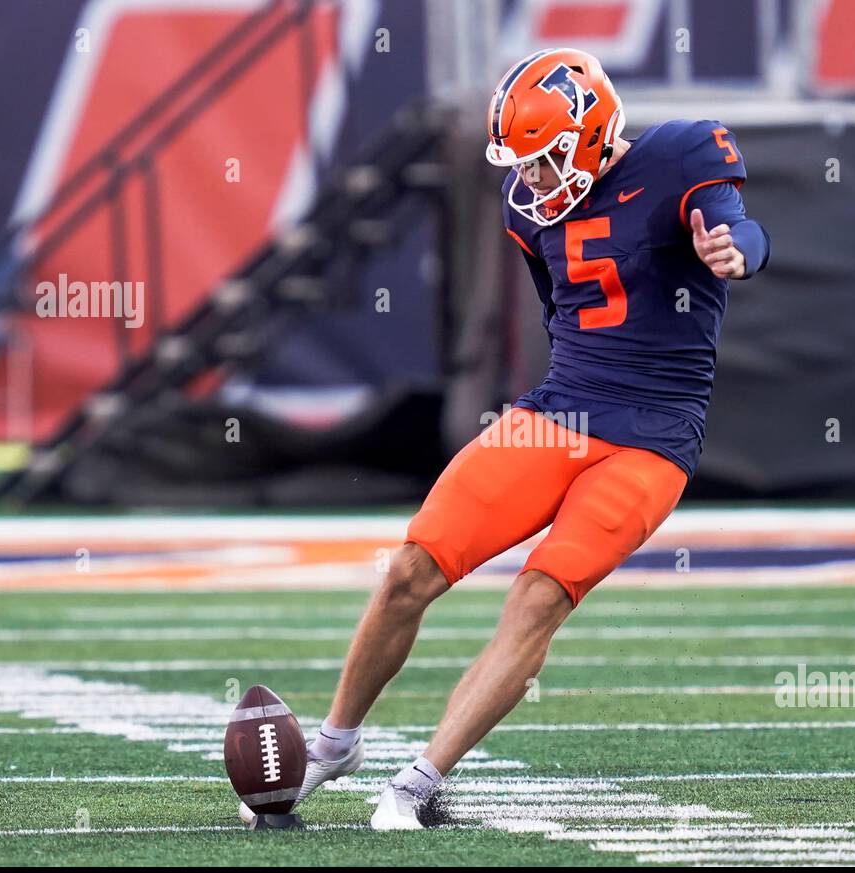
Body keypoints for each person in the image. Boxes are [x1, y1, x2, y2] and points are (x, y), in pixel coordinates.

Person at [239, 47, 770, 829]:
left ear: (593, 133)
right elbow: (560, 311)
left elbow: (743, 232)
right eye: (522, 163)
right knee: (411, 569)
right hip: (561, 408)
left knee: (538, 596)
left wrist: (733, 253)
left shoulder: (678, 156)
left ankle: (419, 781)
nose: (535, 179)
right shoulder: (527, 208)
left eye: (547, 157)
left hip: (653, 433)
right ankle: (335, 741)